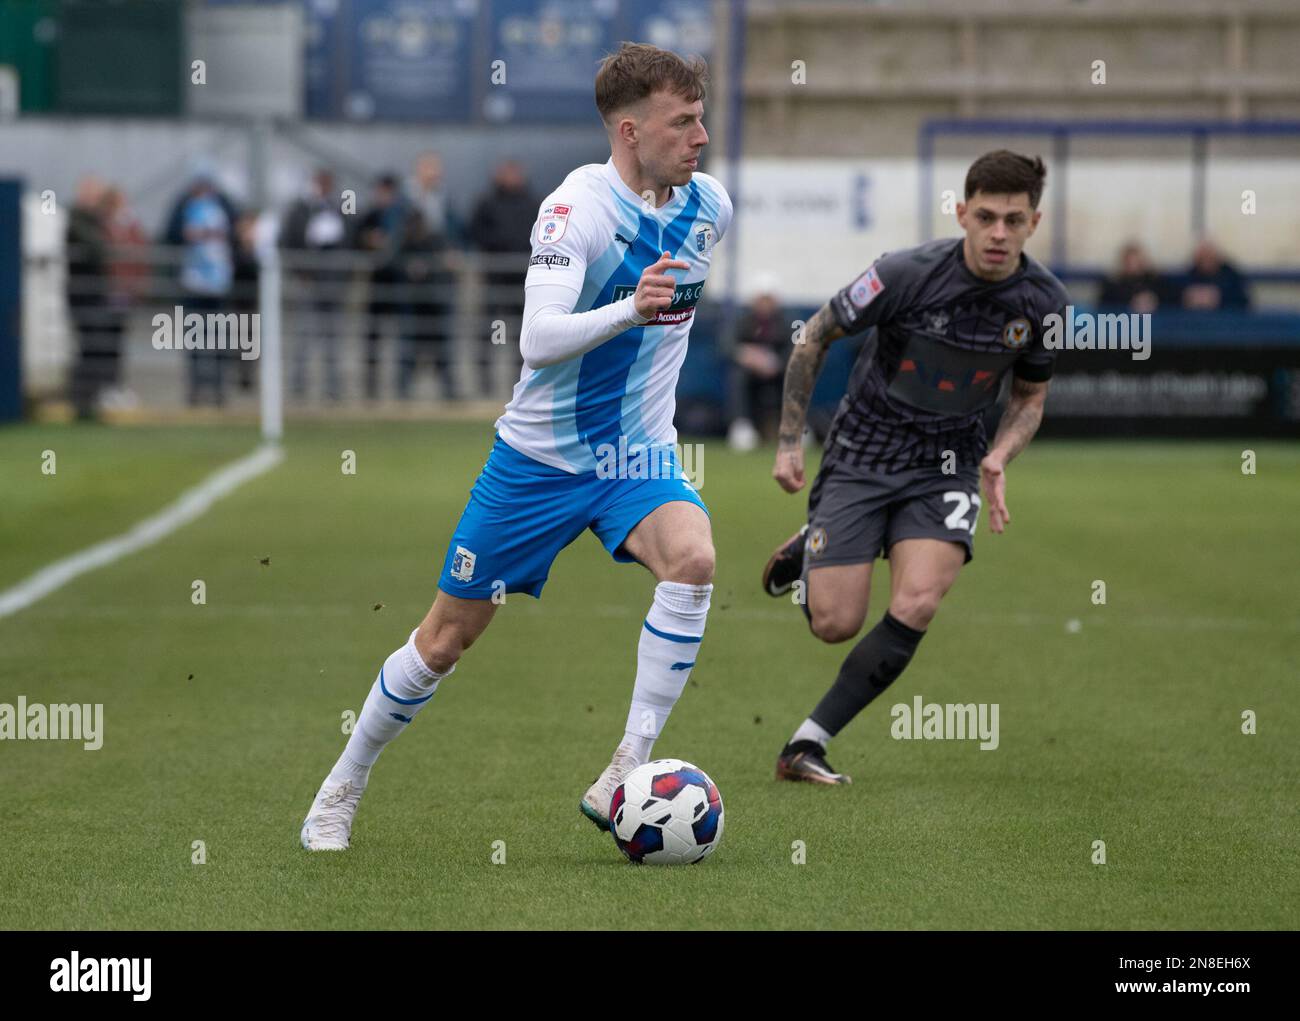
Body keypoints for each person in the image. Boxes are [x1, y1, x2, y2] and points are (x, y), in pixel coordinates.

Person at [300, 42, 732, 850]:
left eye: (702, 117)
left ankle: (622, 769)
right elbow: (535, 338)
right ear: (631, 131)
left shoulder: (710, 206)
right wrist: (628, 311)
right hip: (538, 462)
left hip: (636, 457)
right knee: (443, 642)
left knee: (696, 559)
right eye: (684, 122)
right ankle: (343, 781)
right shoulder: (579, 209)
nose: (701, 135)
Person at [759, 150, 1068, 785]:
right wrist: (790, 440)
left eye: (1014, 220)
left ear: (1034, 222)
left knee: (920, 600)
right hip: (864, 455)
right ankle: (817, 545)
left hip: (947, 466)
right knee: (834, 624)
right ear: (962, 213)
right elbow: (813, 336)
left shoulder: (1045, 303)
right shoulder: (904, 274)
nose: (998, 233)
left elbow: (1030, 399)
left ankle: (805, 745)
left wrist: (1000, 455)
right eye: (985, 217)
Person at [468, 160, 537, 395]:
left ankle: (522, 382)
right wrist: (498, 248)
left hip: (523, 281)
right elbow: (475, 232)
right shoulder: (487, 203)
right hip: (494, 279)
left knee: (523, 335)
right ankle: (484, 384)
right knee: (489, 333)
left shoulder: (532, 203)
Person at [280, 169, 348, 401]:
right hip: (307, 281)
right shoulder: (300, 208)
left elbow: (352, 230)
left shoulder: (341, 206)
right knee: (303, 334)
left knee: (333, 338)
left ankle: (332, 387)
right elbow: (288, 240)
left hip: (333, 282)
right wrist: (300, 271)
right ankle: (298, 384)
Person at [356, 174, 413, 400]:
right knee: (372, 338)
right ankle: (371, 386)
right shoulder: (371, 215)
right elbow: (356, 237)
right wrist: (368, 240)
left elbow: (411, 241)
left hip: (399, 285)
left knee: (403, 338)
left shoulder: (403, 215)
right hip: (376, 285)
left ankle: (401, 388)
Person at [65, 176, 110, 420]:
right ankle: (82, 402)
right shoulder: (76, 219)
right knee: (89, 346)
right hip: (82, 293)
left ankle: (90, 400)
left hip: (95, 292)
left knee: (98, 347)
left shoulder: (96, 220)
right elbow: (98, 249)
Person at [726, 282, 788, 450]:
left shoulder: (786, 322)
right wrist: (746, 356)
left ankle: (794, 425)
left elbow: (793, 350)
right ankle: (742, 425)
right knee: (738, 376)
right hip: (750, 373)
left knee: (796, 376)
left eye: (768, 300)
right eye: (762, 300)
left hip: (777, 373)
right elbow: (728, 346)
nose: (765, 305)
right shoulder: (743, 321)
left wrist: (775, 363)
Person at [1097, 241, 1169, 313]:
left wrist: (1152, 299)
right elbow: (1104, 307)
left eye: (1136, 261)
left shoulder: (1155, 282)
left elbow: (1169, 302)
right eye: (1129, 262)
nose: (1133, 265)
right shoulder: (1114, 285)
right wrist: (1131, 302)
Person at [1181, 239, 1250, 310]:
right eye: (1202, 257)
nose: (1206, 260)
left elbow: (1243, 303)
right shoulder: (1189, 276)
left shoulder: (1231, 277)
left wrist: (1219, 298)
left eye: (1209, 256)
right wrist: (1188, 297)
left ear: (1218, 258)